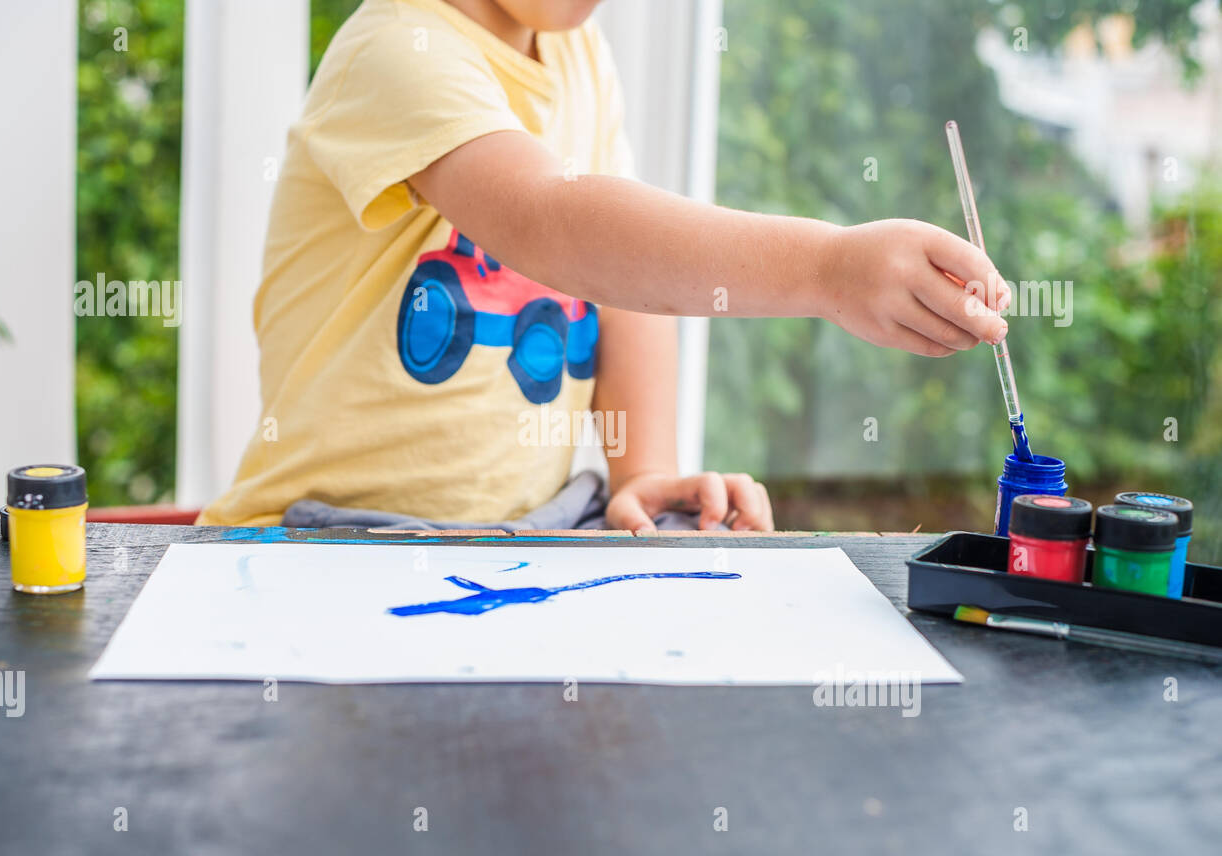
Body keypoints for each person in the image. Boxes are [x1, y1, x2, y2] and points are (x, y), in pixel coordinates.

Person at [198, 0, 1010, 532]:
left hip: (531, 526)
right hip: (332, 529)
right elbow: (550, 221)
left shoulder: (580, 55)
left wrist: (643, 474)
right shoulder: (396, 48)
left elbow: (620, 285)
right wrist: (827, 267)